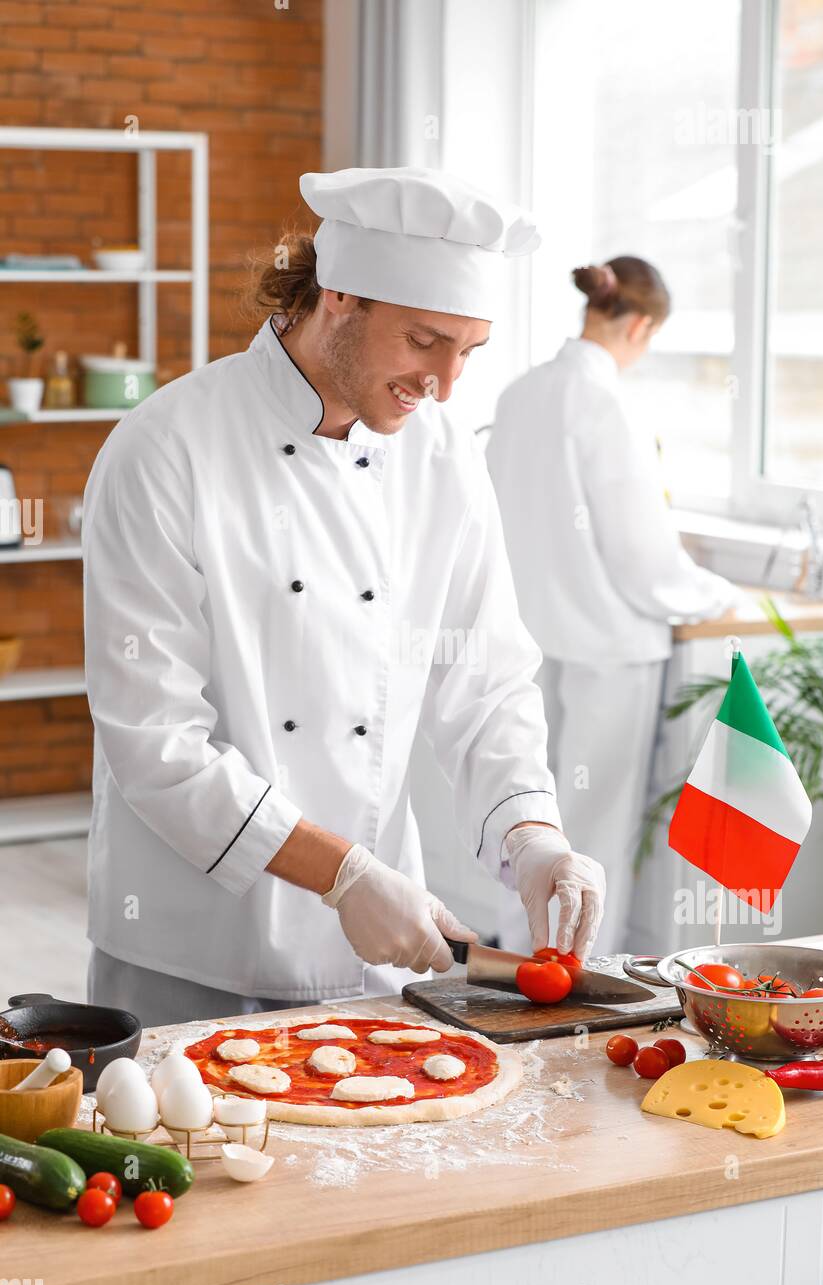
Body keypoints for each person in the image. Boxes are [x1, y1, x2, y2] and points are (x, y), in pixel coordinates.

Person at [81, 166, 606, 1026]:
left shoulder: (443, 457)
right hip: (192, 951)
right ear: (341, 298)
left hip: (375, 952)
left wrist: (533, 837)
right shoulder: (167, 448)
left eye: (469, 352)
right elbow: (155, 740)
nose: (444, 383)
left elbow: (485, 683)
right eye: (425, 341)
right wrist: (343, 874)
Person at [488, 257, 737, 954]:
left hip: (531, 635)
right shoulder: (608, 401)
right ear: (641, 324)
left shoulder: (521, 393)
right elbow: (640, 552)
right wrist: (716, 594)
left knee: (528, 810)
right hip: (609, 644)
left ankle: (524, 955)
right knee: (595, 821)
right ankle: (582, 969)